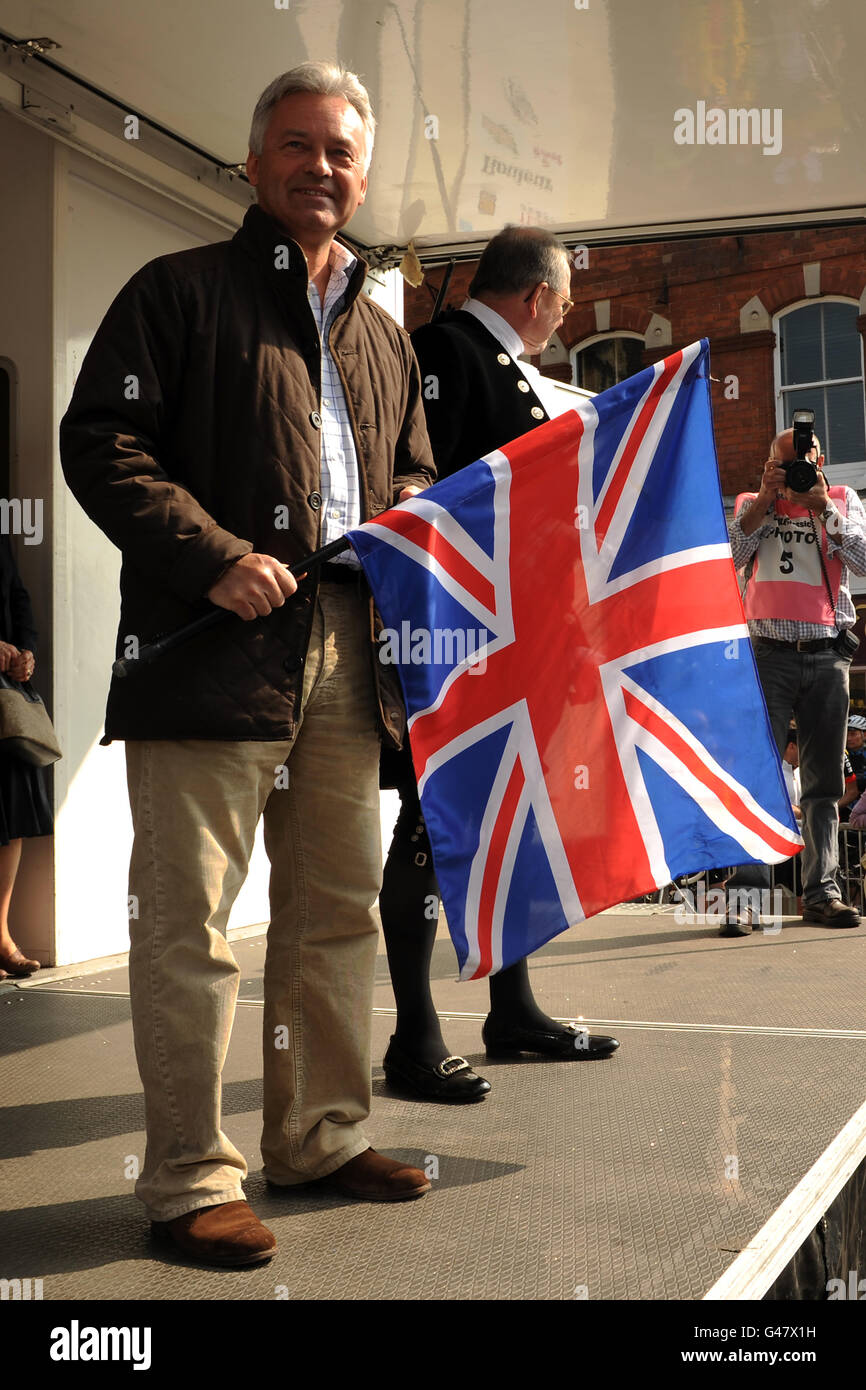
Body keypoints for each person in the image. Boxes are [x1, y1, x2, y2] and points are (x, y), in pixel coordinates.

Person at [60, 62, 437, 1267]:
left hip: (345, 645)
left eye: (338, 151)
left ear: (361, 174)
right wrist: (215, 554)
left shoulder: (385, 339)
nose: (317, 167)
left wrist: (420, 511)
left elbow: (414, 476)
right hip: (208, 646)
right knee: (189, 925)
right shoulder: (174, 293)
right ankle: (185, 1181)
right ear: (252, 160)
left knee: (334, 915)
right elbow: (100, 441)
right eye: (296, 144)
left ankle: (319, 1135)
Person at [378, 226, 619, 1104]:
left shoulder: (496, 360)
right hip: (457, 643)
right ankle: (413, 1034)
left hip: (513, 640)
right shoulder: (448, 350)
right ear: (541, 294)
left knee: (512, 821)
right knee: (430, 828)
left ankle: (511, 1010)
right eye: (562, 301)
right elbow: (429, 498)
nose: (561, 316)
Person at [720, 426, 866, 936]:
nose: (792, 477)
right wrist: (764, 498)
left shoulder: (844, 500)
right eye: (782, 467)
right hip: (768, 655)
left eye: (799, 464)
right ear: (768, 465)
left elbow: (863, 562)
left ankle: (822, 894)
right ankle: (746, 897)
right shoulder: (750, 504)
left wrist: (824, 505)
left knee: (822, 783)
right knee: (755, 774)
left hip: (827, 655)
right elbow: (730, 560)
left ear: (819, 459)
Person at [0, 535, 53, 979]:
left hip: (5, 698)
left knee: (11, 813)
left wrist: (26, 651)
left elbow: (18, 595)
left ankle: (0, 935)